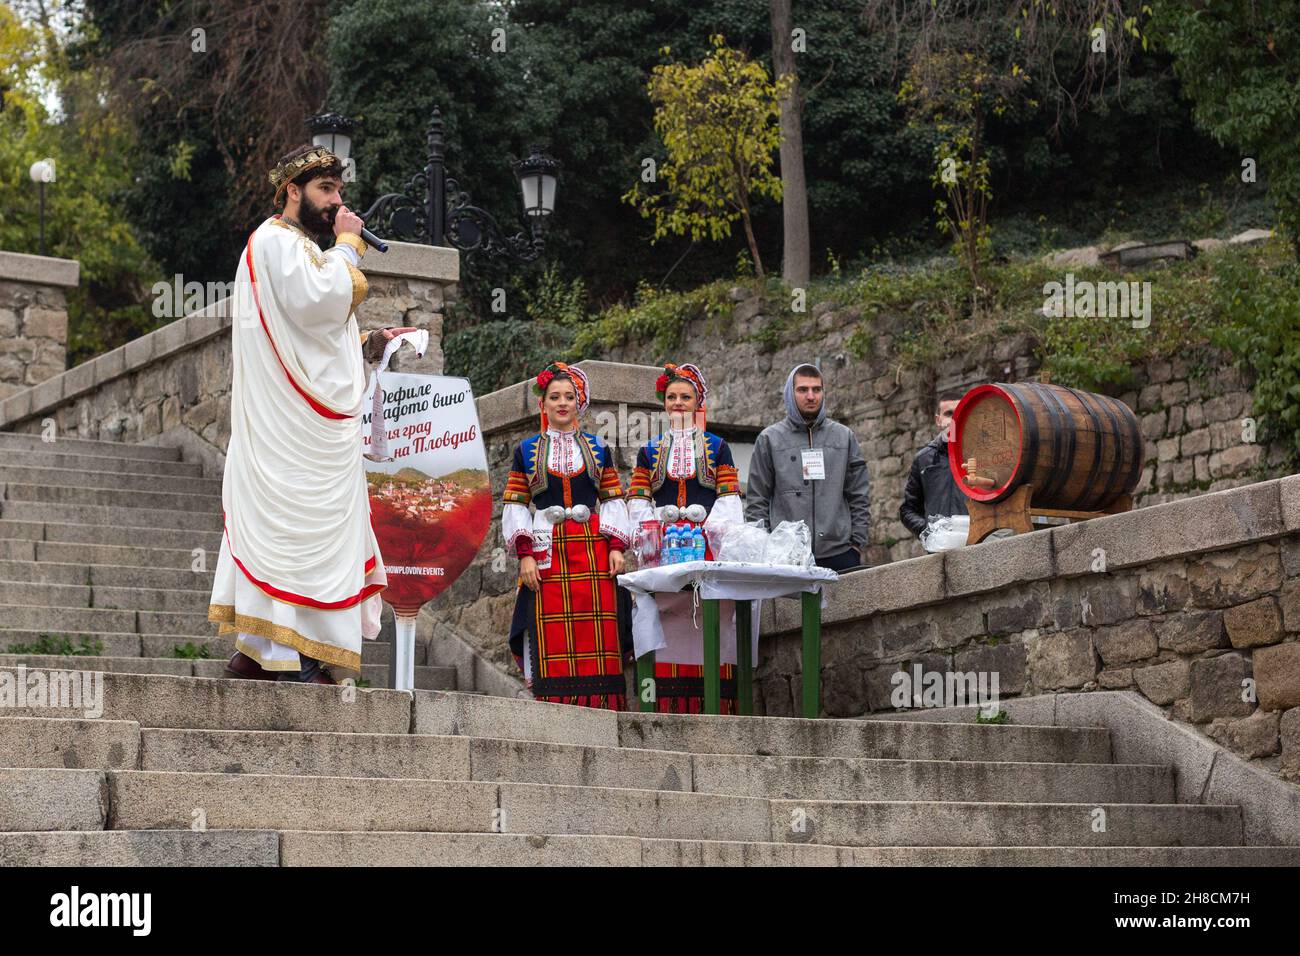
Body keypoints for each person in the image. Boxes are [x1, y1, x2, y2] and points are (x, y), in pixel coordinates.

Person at [212, 143, 412, 684]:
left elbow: (315, 336)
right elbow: (320, 301)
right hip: (289, 432)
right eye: (326, 191)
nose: (336, 202)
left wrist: (368, 344)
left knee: (305, 535)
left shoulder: (296, 247)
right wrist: (349, 244)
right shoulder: (275, 241)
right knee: (295, 534)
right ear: (293, 192)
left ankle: (269, 654)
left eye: (340, 192)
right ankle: (290, 655)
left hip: (305, 426)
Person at [501, 362, 632, 709]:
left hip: (593, 550)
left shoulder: (598, 448)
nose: (562, 403)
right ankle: (554, 708)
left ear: (579, 403)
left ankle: (604, 709)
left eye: (569, 397)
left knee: (599, 631)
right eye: (554, 397)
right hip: (547, 551)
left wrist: (616, 546)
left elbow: (614, 498)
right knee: (550, 630)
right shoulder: (526, 451)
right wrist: (525, 553)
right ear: (542, 404)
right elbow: (516, 503)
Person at [626, 362, 745, 714]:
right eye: (672, 397)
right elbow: (637, 500)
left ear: (698, 403)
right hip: (664, 547)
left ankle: (714, 702)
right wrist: (651, 535)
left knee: (708, 617)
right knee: (667, 617)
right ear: (664, 403)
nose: (678, 403)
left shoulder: (718, 447)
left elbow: (728, 499)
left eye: (685, 397)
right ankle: (665, 703)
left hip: (705, 547)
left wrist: (713, 532)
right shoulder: (649, 451)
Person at [745, 363, 870, 572]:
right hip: (786, 555)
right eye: (803, 390)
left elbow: (859, 494)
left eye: (816, 389)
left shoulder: (844, 437)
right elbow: (757, 499)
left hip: (839, 552)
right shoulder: (770, 439)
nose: (811, 396)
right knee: (791, 607)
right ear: (790, 393)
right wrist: (765, 546)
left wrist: (856, 543)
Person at [900, 391, 968, 541]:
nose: (955, 419)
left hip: (978, 544)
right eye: (949, 414)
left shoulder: (982, 455)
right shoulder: (923, 459)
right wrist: (928, 531)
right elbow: (908, 510)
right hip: (940, 550)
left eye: (960, 413)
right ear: (938, 420)